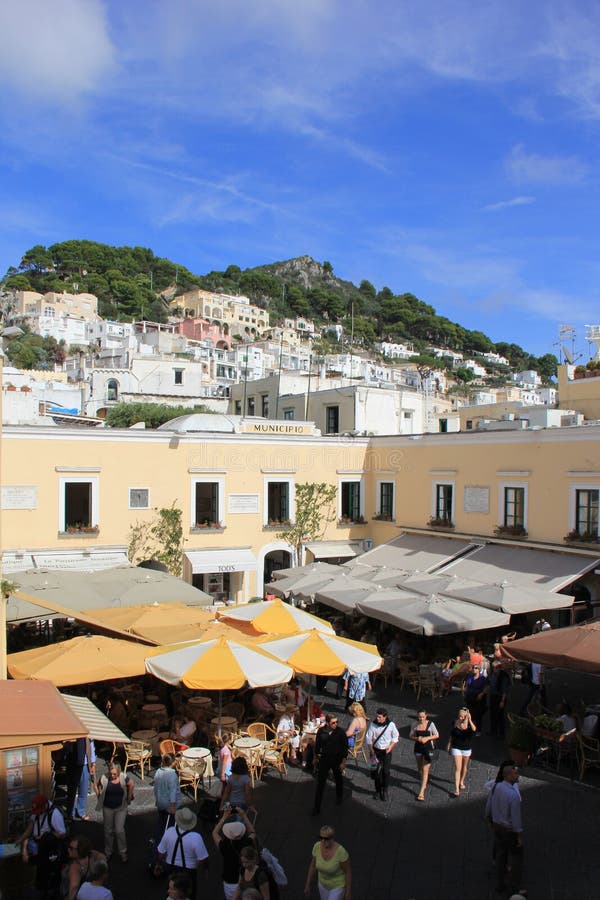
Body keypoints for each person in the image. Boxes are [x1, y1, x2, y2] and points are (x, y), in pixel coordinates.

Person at [485, 761, 525, 896]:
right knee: (516, 860)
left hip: (497, 828)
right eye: (515, 773)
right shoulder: (513, 795)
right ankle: (513, 889)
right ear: (508, 775)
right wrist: (519, 836)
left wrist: (489, 819)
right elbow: (516, 819)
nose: (518, 775)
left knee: (501, 856)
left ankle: (499, 884)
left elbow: (489, 806)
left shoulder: (496, 787)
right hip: (509, 831)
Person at [18, 793, 66, 897]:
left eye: (39, 810)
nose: (37, 813)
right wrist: (22, 838)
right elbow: (31, 826)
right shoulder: (38, 810)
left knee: (45, 877)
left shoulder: (55, 814)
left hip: (47, 849)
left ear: (44, 806)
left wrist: (45, 836)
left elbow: (62, 834)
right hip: (40, 845)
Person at [156, 806, 209, 888]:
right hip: (189, 872)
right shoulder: (196, 837)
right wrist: (205, 869)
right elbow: (203, 859)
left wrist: (159, 864)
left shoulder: (169, 832)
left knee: (171, 891)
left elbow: (160, 852)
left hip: (171, 869)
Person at [212, 806, 257, 900]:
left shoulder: (224, 846)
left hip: (230, 882)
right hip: (246, 881)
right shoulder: (247, 843)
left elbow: (215, 833)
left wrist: (224, 817)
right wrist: (244, 816)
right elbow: (253, 832)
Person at [93, 761, 134, 862]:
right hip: (107, 808)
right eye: (111, 773)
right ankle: (108, 852)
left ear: (119, 772)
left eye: (115, 774)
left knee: (119, 830)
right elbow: (95, 785)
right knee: (108, 831)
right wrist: (99, 796)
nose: (112, 776)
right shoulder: (104, 777)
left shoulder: (123, 777)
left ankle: (123, 852)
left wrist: (129, 797)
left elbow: (131, 784)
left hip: (120, 807)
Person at [311, 713, 348, 815]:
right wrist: (315, 757)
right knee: (320, 783)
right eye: (333, 723)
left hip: (337, 759)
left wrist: (343, 762)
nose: (335, 724)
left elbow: (345, 747)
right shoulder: (321, 731)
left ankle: (339, 797)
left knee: (338, 779)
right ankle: (316, 807)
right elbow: (317, 746)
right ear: (327, 723)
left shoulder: (340, 732)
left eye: (336, 722)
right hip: (325, 759)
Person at [304, 824, 351, 900]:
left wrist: (348, 892)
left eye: (326, 838)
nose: (323, 840)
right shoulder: (317, 846)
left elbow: (347, 872)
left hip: (337, 886)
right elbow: (313, 866)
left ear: (332, 838)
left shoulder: (341, 852)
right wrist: (307, 884)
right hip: (322, 885)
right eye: (321, 838)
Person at [366, 708, 399, 801]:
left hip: (386, 752)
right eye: (377, 716)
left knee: (385, 772)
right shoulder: (373, 725)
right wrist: (371, 750)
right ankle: (377, 790)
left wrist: (391, 746)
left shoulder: (391, 725)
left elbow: (396, 736)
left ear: (385, 717)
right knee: (375, 773)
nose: (377, 718)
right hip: (375, 751)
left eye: (379, 717)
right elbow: (368, 738)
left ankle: (385, 790)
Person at [62, 835, 105, 900]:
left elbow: (73, 888)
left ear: (79, 850)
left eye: (71, 848)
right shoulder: (91, 855)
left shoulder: (74, 867)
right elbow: (102, 857)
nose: (68, 849)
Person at [409, 709, 439, 801]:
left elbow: (437, 735)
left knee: (425, 769)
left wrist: (427, 738)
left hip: (428, 748)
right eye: (419, 717)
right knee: (420, 769)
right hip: (418, 748)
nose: (421, 719)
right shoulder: (414, 725)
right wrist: (417, 738)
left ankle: (421, 792)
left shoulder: (431, 724)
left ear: (426, 716)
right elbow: (410, 736)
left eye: (422, 717)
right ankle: (423, 782)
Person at [446, 706, 476, 796]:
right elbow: (452, 734)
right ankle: (456, 789)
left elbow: (474, 730)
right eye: (459, 716)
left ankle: (461, 781)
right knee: (457, 768)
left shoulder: (470, 724)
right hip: (456, 747)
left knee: (464, 767)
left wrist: (469, 720)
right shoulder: (455, 722)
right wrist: (449, 744)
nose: (460, 718)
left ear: (466, 716)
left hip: (466, 748)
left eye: (462, 716)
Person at [154, 753, 181, 841]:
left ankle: (157, 838)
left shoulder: (158, 771)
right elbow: (173, 791)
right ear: (172, 763)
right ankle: (167, 842)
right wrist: (173, 806)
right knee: (170, 825)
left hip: (160, 802)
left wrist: (157, 799)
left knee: (161, 822)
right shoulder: (173, 775)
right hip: (169, 805)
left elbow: (156, 787)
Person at [73, 738, 96, 821]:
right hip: (74, 764)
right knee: (72, 789)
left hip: (85, 764)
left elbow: (91, 747)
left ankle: (81, 812)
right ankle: (70, 813)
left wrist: (93, 763)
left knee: (83, 790)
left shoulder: (89, 734)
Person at [488, 660, 511, 738]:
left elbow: (505, 690)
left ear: (500, 668)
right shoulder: (493, 674)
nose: (495, 669)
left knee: (500, 715)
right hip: (493, 696)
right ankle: (493, 730)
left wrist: (502, 701)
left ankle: (501, 733)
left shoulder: (503, 676)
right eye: (493, 667)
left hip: (500, 697)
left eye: (496, 667)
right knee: (492, 714)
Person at [464, 663, 488, 734]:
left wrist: (482, 694)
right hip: (470, 697)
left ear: (479, 670)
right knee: (469, 713)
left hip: (478, 698)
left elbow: (487, 687)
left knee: (478, 714)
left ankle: (478, 730)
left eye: (476, 668)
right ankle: (469, 728)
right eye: (474, 668)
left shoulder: (482, 678)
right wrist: (465, 691)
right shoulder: (470, 677)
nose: (474, 669)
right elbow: (467, 686)